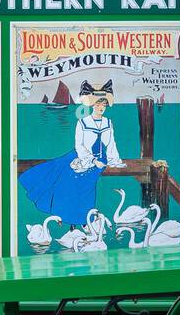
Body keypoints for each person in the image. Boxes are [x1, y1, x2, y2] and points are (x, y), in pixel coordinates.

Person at [19, 80, 126, 226]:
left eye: (103, 105)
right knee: (64, 175)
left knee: (88, 185)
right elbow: (79, 145)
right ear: (92, 105)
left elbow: (111, 144)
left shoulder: (108, 122)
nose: (101, 107)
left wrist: (115, 161)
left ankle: (82, 220)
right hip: (82, 156)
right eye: (97, 104)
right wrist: (92, 161)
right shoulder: (83, 122)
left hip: (101, 158)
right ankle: (70, 218)